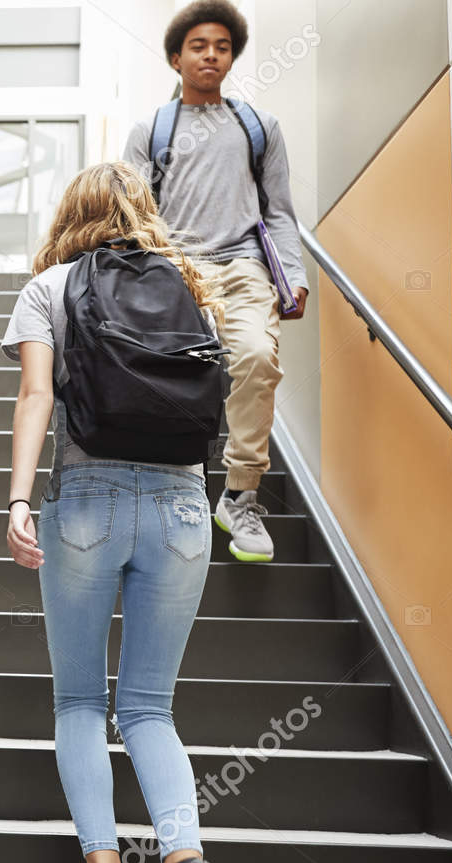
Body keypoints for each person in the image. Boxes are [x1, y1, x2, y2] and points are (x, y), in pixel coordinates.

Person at [2, 161, 227, 863]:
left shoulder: (49, 288)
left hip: (87, 503)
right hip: (181, 510)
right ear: (143, 214)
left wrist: (20, 497)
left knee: (78, 701)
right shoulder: (193, 289)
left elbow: (34, 399)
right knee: (149, 708)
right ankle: (181, 858)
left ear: (71, 215)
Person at [122, 0, 308, 563]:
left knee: (256, 358)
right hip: (175, 270)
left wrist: (293, 275)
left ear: (231, 58)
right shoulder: (151, 129)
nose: (211, 55)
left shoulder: (259, 127)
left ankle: (240, 495)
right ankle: (166, 492)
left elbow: (279, 211)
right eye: (199, 46)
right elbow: (130, 213)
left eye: (222, 47)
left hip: (244, 265)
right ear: (176, 58)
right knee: (175, 376)